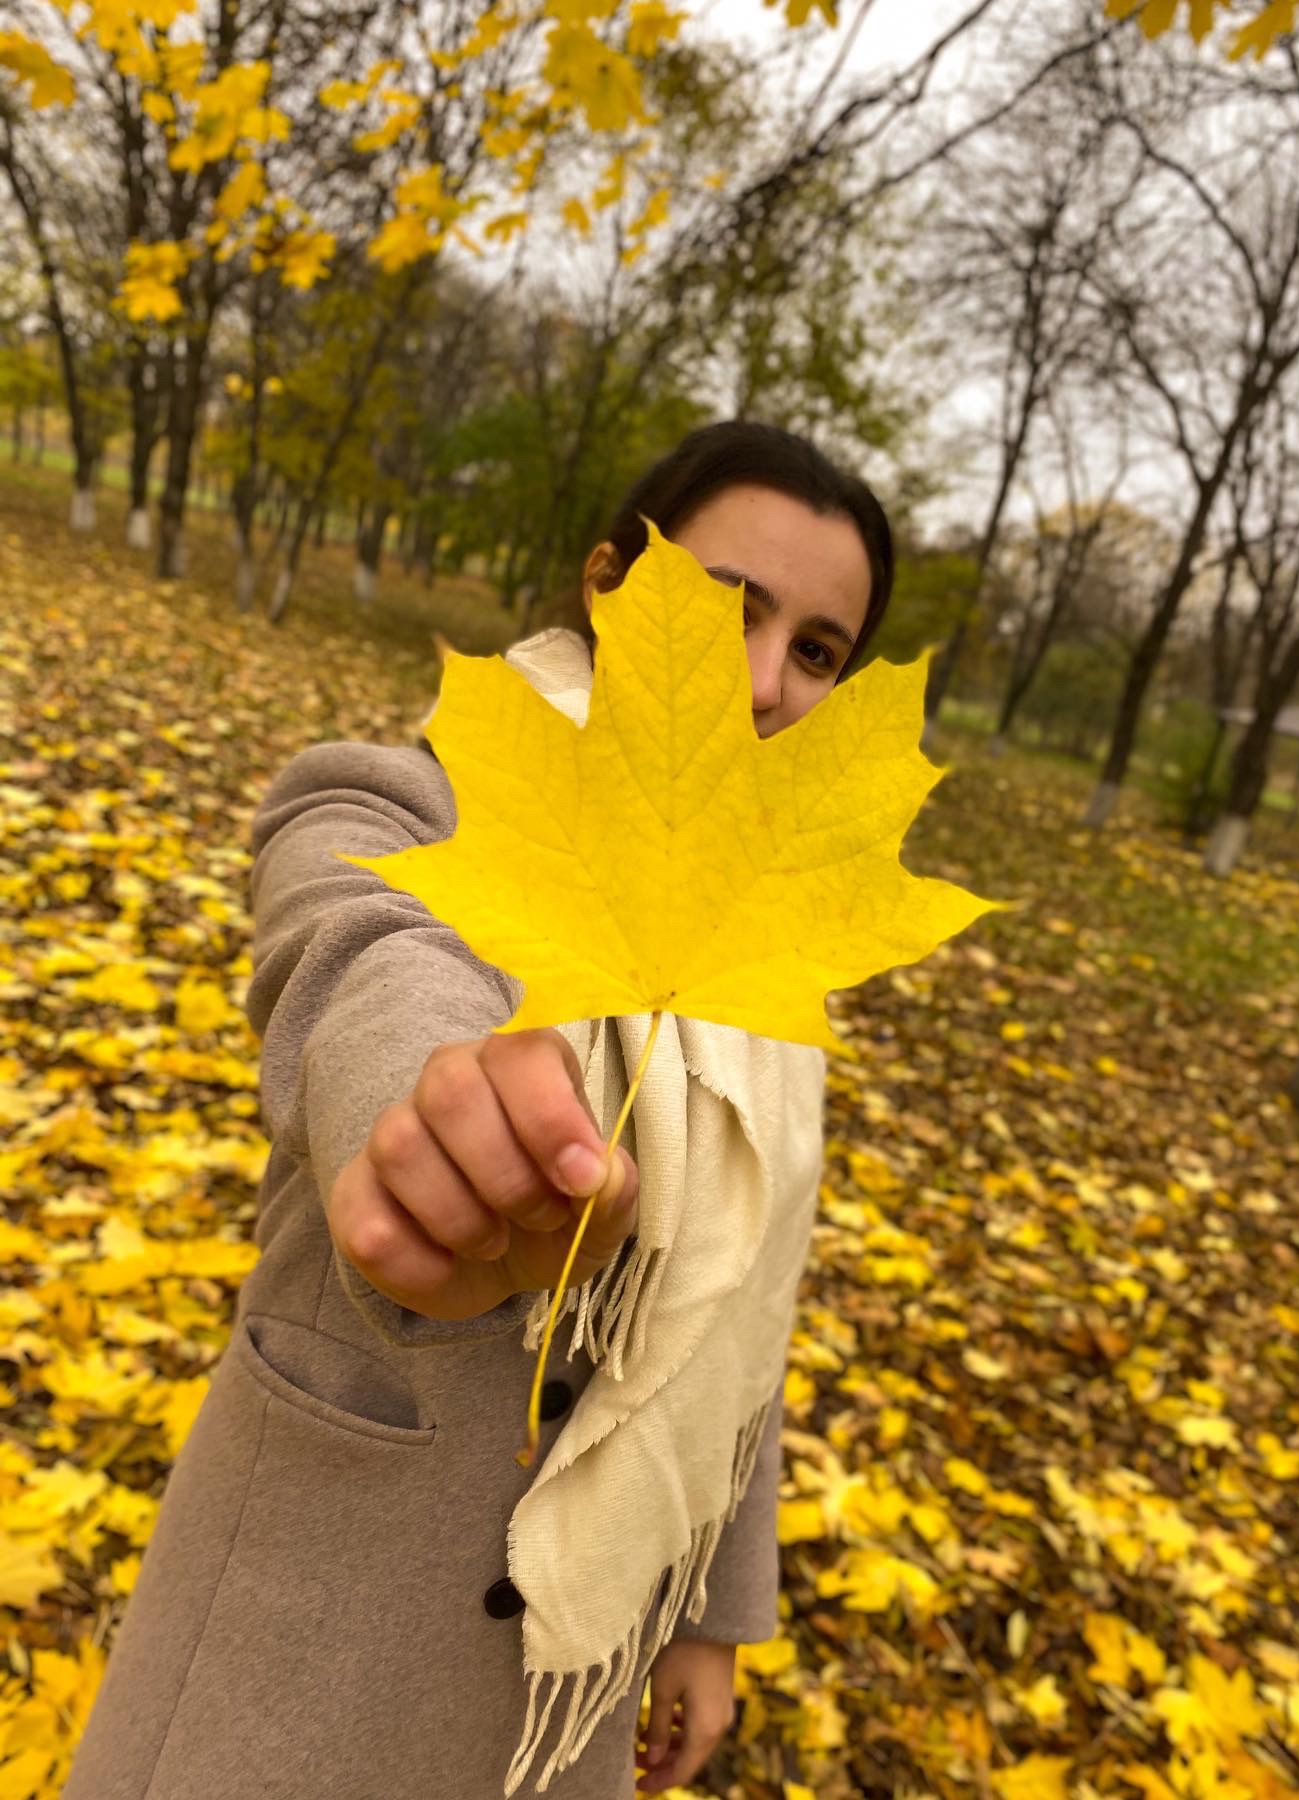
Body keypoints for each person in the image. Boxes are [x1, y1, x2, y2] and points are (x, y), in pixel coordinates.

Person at [63, 420, 894, 1800]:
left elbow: (744, 1311)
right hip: (304, 1636)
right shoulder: (427, 800)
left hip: (561, 1692)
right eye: (727, 607)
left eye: (816, 650)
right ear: (610, 581)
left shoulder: (769, 963)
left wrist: (711, 1613)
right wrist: (419, 1102)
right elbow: (359, 934)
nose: (763, 682)